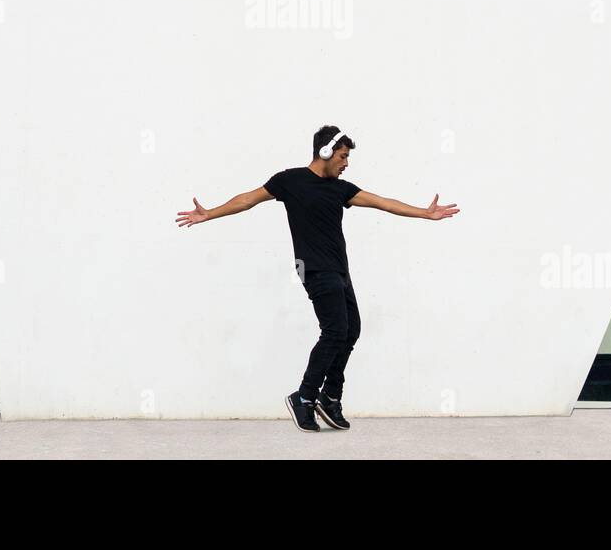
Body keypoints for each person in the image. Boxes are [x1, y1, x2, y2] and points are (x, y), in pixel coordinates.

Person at [175, 125, 460, 433]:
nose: (346, 163)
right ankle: (304, 396)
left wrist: (423, 213)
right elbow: (248, 199)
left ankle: (330, 397)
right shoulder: (290, 181)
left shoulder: (341, 189)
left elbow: (383, 202)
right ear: (325, 152)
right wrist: (210, 213)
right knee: (335, 330)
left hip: (339, 269)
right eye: (343, 156)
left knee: (351, 331)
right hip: (313, 267)